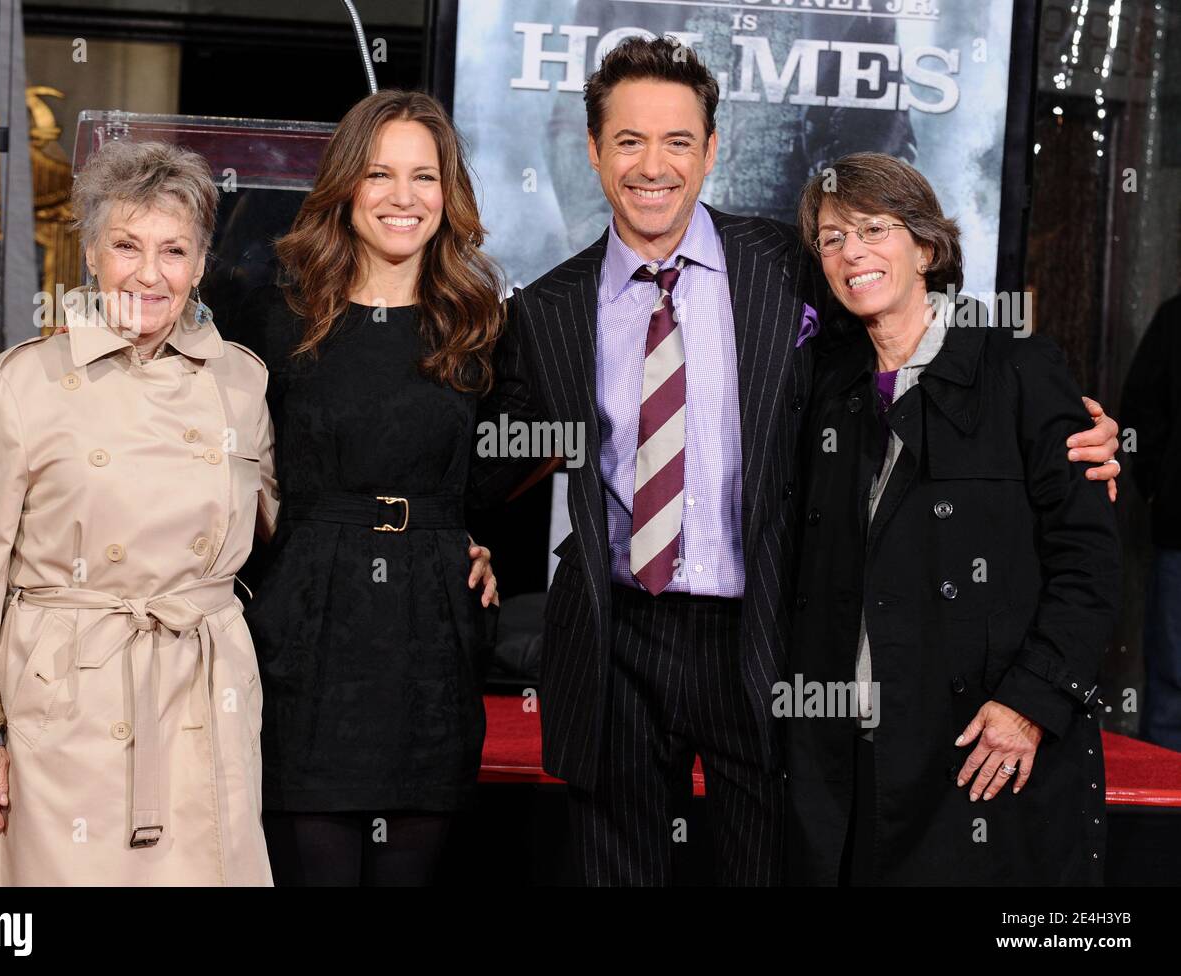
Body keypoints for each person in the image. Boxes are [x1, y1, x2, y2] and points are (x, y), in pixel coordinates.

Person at [469, 36, 1123, 886]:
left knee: (772, 866)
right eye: (629, 140)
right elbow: (490, 450)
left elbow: (910, 343)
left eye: (677, 140)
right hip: (615, 636)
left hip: (769, 637)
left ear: (711, 150)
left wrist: (1076, 429)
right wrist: (450, 528)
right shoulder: (549, 308)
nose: (652, 165)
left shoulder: (790, 266)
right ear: (595, 150)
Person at [0, 139, 277, 884]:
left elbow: (284, 526)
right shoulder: (24, 383)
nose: (149, 274)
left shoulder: (242, 384)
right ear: (90, 252)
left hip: (199, 697)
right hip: (64, 704)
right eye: (126, 245)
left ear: (202, 264)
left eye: (174, 250)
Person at [785, 152, 1122, 884]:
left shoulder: (1019, 367)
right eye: (832, 238)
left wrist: (1030, 703)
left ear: (926, 247)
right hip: (847, 763)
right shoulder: (820, 388)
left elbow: (1089, 562)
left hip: (980, 751)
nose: (852, 253)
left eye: (873, 229)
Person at [242, 90, 502, 886]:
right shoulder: (276, 314)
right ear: (345, 186)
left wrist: (489, 548)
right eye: (380, 174)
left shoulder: (481, 320)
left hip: (432, 626)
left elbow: (513, 463)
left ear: (447, 193)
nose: (402, 197)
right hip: (309, 622)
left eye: (424, 176)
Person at [1122, 293, 1181, 752]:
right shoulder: (1177, 316)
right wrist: (1161, 487)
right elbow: (1140, 411)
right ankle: (1163, 824)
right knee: (1172, 692)